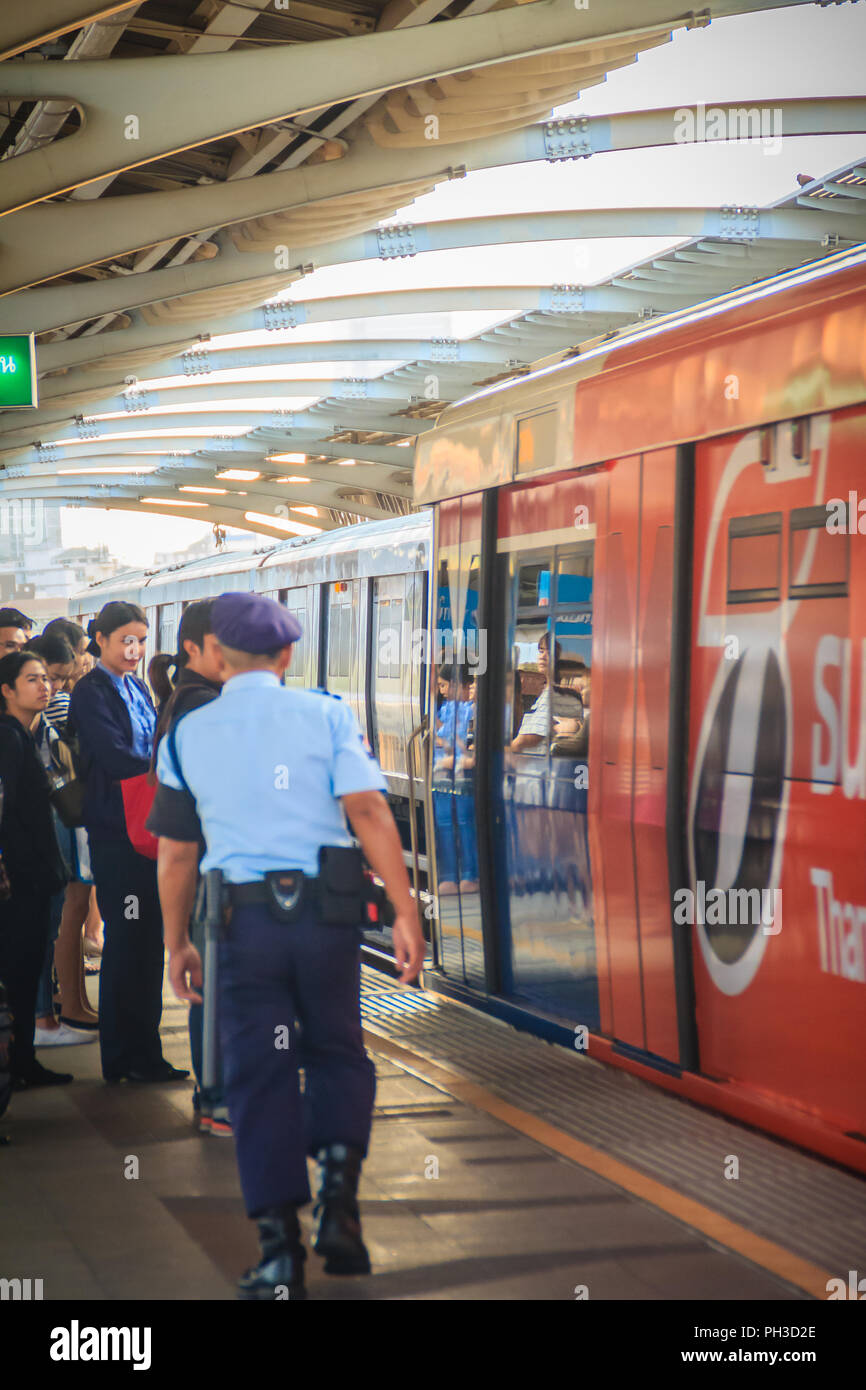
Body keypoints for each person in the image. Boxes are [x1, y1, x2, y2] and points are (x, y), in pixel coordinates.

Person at [152, 591, 425, 1300]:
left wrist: (176, 942)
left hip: (243, 929)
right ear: (286, 655)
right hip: (326, 921)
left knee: (259, 1074)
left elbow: (177, 855)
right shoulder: (327, 714)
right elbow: (367, 811)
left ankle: (279, 1254)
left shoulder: (188, 735)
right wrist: (403, 910)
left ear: (218, 656)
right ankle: (339, 1202)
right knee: (337, 1050)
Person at [67, 601, 188, 1085]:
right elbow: (116, 755)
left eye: (141, 639)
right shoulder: (91, 692)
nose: (135, 649)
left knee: (146, 942)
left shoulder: (136, 686)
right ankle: (121, 1055)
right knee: (126, 939)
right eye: (126, 640)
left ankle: (147, 1052)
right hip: (117, 834)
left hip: (145, 828)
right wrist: (162, 771)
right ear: (100, 640)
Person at [148, 600, 229, 1135]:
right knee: (213, 982)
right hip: (211, 876)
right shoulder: (201, 710)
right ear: (194, 647)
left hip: (206, 873)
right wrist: (174, 937)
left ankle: (216, 1093)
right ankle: (217, 1098)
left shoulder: (188, 701)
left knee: (215, 981)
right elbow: (178, 843)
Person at [0, 652, 73, 1088]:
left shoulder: (27, 733)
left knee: (27, 968)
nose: (44, 686)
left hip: (32, 874)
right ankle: (20, 1064)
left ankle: (23, 1061)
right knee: (21, 969)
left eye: (46, 678)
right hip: (20, 880)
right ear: (7, 691)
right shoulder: (9, 737)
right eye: (32, 680)